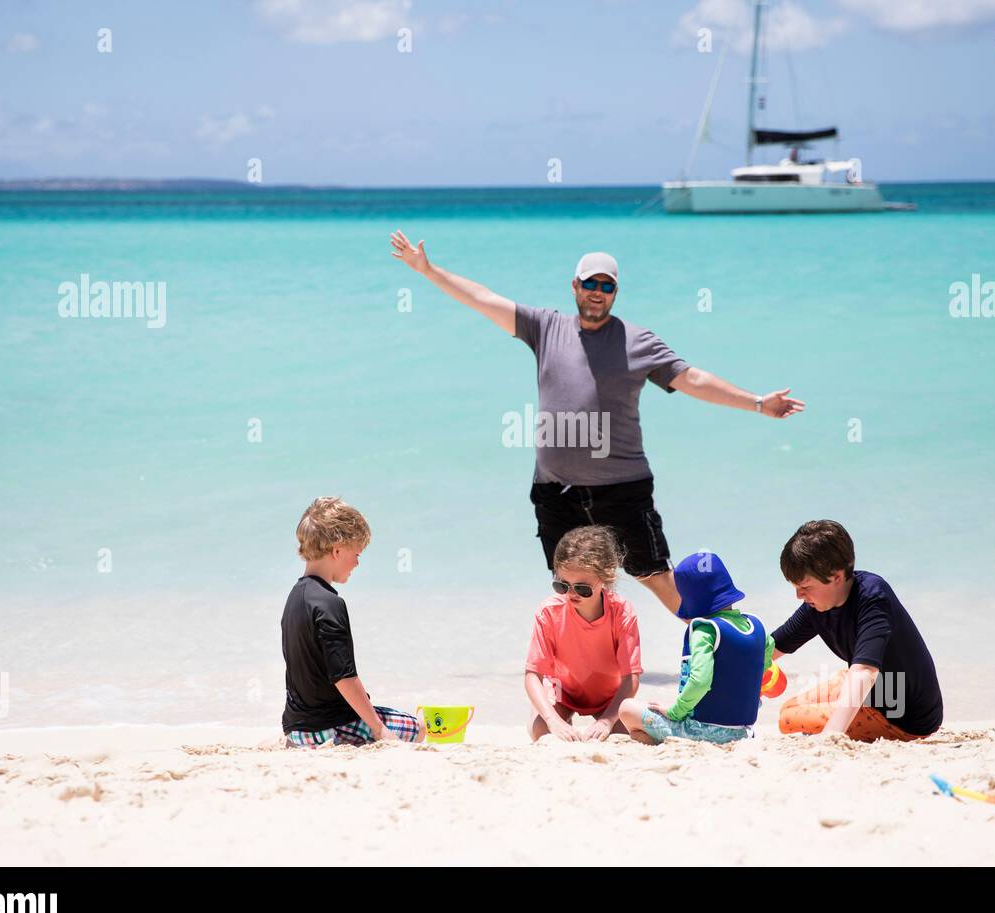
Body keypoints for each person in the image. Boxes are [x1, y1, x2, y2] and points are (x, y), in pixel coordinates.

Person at [389, 231, 804, 614]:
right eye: (590, 283)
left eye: (607, 286)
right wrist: (427, 270)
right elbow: (482, 299)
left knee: (656, 576)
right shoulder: (545, 327)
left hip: (621, 490)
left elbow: (692, 379)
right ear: (575, 286)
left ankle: (727, 647)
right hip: (556, 491)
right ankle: (592, 672)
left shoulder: (638, 341)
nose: (597, 293)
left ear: (615, 292)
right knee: (572, 586)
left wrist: (756, 403)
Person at [770, 520, 944, 742]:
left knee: (787, 718)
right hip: (873, 690)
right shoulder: (820, 603)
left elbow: (864, 672)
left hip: (903, 717)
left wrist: (831, 736)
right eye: (796, 588)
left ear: (836, 577)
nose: (799, 596)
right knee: (793, 705)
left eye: (805, 587)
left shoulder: (872, 597)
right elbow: (773, 647)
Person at [280, 497, 425, 747]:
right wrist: (378, 729)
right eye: (356, 554)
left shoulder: (294, 598)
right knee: (419, 727)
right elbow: (344, 678)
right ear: (337, 550)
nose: (357, 563)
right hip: (330, 728)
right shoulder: (330, 604)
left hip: (297, 729)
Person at [620, 551, 769, 745]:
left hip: (700, 732)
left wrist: (674, 711)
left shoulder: (705, 631)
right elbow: (761, 667)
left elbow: (700, 681)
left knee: (627, 708)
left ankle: (656, 738)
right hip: (743, 732)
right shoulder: (757, 626)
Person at [525, 526, 642, 742]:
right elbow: (533, 675)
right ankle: (561, 720)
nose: (571, 594)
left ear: (606, 577)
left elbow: (630, 679)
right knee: (540, 731)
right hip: (562, 693)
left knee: (626, 736)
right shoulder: (549, 612)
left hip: (608, 696)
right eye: (562, 585)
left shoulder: (621, 613)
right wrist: (553, 720)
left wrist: (606, 721)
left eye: (582, 588)